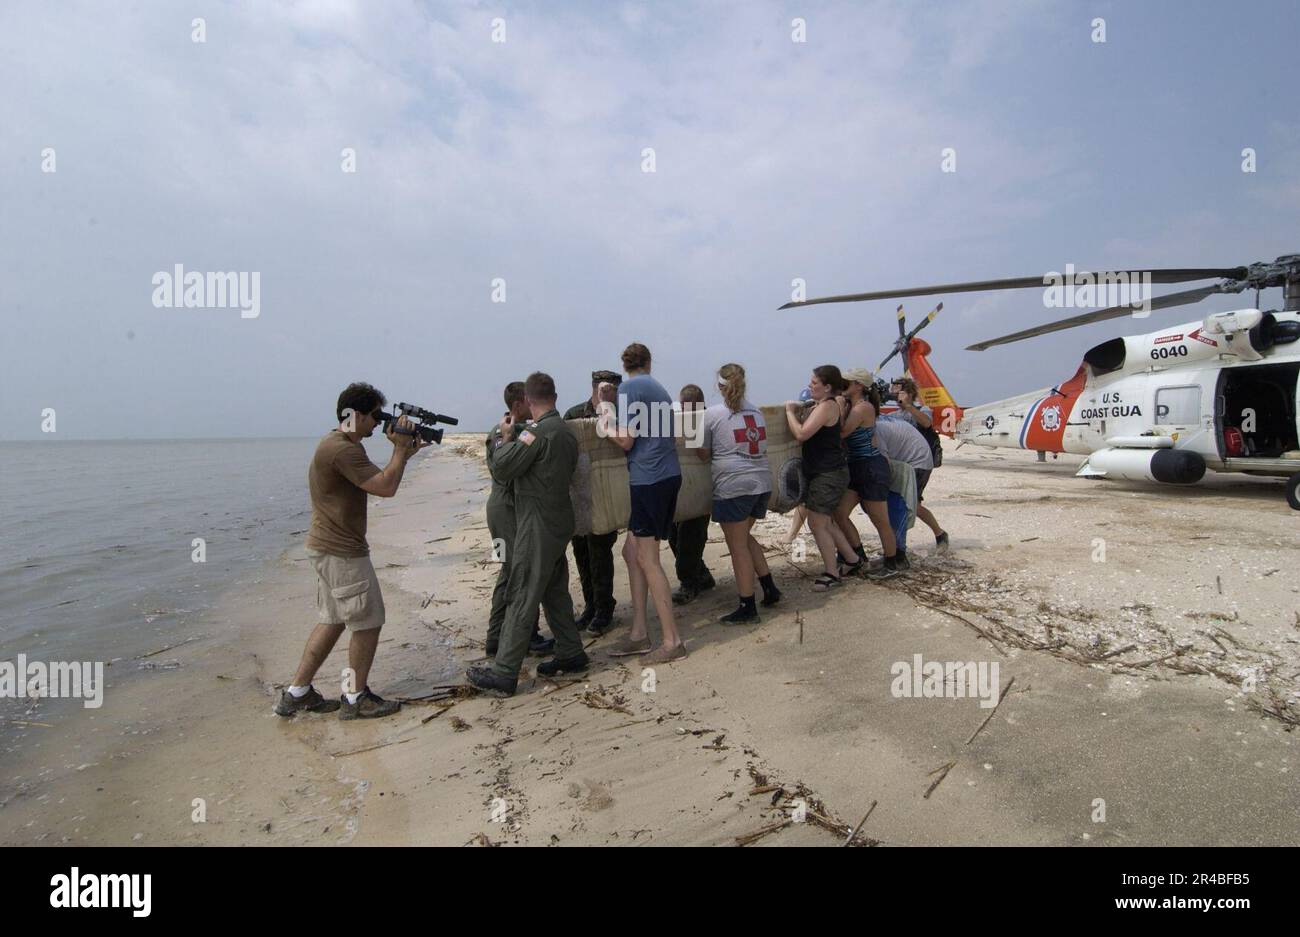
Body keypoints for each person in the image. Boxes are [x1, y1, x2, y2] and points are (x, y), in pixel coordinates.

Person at [276, 382, 429, 720]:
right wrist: (400, 450)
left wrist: (404, 454)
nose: (378, 423)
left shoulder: (338, 443)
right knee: (368, 622)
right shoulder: (344, 450)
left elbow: (382, 478)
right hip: (342, 552)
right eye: (375, 416)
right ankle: (354, 698)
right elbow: (386, 487)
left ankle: (297, 693)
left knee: (332, 621)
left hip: (325, 547)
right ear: (355, 414)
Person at [466, 373, 589, 697]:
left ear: (529, 402)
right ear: (555, 395)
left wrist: (506, 437)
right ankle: (570, 651)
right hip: (560, 517)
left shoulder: (536, 433)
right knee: (553, 588)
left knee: (521, 590)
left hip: (536, 521)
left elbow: (502, 468)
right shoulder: (565, 430)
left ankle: (504, 672)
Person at [598, 342, 688, 663]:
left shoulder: (628, 390)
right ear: (649, 362)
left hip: (648, 480)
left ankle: (672, 641)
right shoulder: (659, 389)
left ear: (624, 365)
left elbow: (625, 440)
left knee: (649, 560)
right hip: (667, 475)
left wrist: (604, 409)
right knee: (631, 551)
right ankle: (638, 633)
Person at [696, 363, 780, 622]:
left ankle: (747, 606)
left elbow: (702, 454)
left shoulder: (712, 414)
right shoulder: (756, 411)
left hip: (734, 486)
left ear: (720, 386)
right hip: (761, 482)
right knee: (743, 538)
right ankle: (769, 587)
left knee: (737, 546)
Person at [484, 381, 549, 657]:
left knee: (508, 570)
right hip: (505, 511)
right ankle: (521, 635)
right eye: (528, 400)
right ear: (518, 404)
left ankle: (497, 635)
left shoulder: (515, 429)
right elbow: (502, 469)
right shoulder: (505, 432)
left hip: (503, 509)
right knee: (516, 569)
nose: (532, 404)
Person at [784, 366, 860, 591]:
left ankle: (831, 573)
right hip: (829, 471)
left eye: (814, 382)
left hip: (828, 473)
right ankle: (852, 560)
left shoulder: (827, 406)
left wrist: (789, 412)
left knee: (816, 522)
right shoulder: (828, 404)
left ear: (827, 387)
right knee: (826, 521)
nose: (810, 385)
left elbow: (801, 434)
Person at [563, 370, 622, 635]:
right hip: (580, 497)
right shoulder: (575, 414)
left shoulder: (620, 415)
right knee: (581, 553)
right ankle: (590, 606)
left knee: (600, 554)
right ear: (595, 387)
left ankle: (604, 609)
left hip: (606, 495)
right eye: (604, 389)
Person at [835, 368, 901, 579]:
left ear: (859, 386)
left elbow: (842, 431)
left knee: (879, 519)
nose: (843, 385)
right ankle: (858, 555)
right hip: (857, 466)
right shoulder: (853, 406)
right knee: (839, 513)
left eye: (847, 382)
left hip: (870, 467)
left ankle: (891, 563)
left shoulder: (862, 408)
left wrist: (836, 406)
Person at [884, 377, 949, 553]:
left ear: (910, 393)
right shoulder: (893, 416)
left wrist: (909, 406)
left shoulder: (923, 409)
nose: (896, 395)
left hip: (920, 462)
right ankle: (939, 534)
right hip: (904, 464)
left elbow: (926, 423)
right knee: (913, 503)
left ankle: (900, 547)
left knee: (907, 503)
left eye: (900, 391)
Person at [668, 383, 716, 605]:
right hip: (685, 490)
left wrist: (692, 424)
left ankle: (689, 584)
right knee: (674, 535)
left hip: (702, 491)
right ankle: (702, 576)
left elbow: (704, 455)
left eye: (688, 408)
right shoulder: (683, 420)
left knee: (691, 537)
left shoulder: (708, 420)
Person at [871, 411, 935, 571]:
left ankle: (899, 555)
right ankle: (896, 550)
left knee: (901, 505)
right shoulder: (879, 422)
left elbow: (883, 462)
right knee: (906, 505)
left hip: (916, 462)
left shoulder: (875, 430)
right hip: (914, 457)